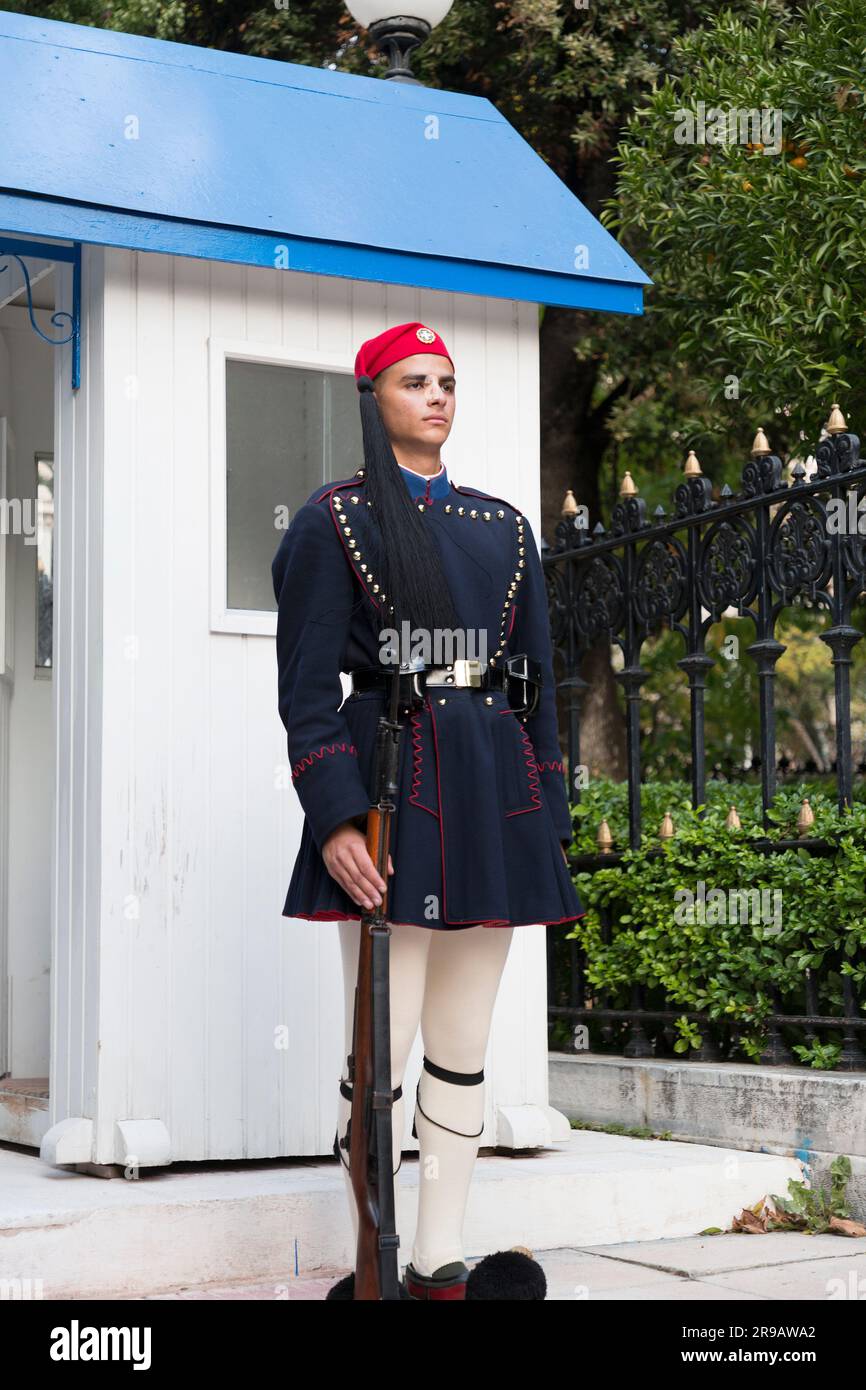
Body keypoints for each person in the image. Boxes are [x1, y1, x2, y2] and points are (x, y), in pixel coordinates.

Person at [271, 322, 586, 1299]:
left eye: (446, 381)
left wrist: (548, 812)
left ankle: (436, 1263)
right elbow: (307, 691)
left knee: (462, 1045)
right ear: (374, 399)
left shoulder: (505, 527)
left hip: (492, 789)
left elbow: (533, 680)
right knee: (382, 1050)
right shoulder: (333, 521)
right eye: (414, 382)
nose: (437, 396)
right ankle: (372, 1266)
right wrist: (334, 817)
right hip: (392, 787)